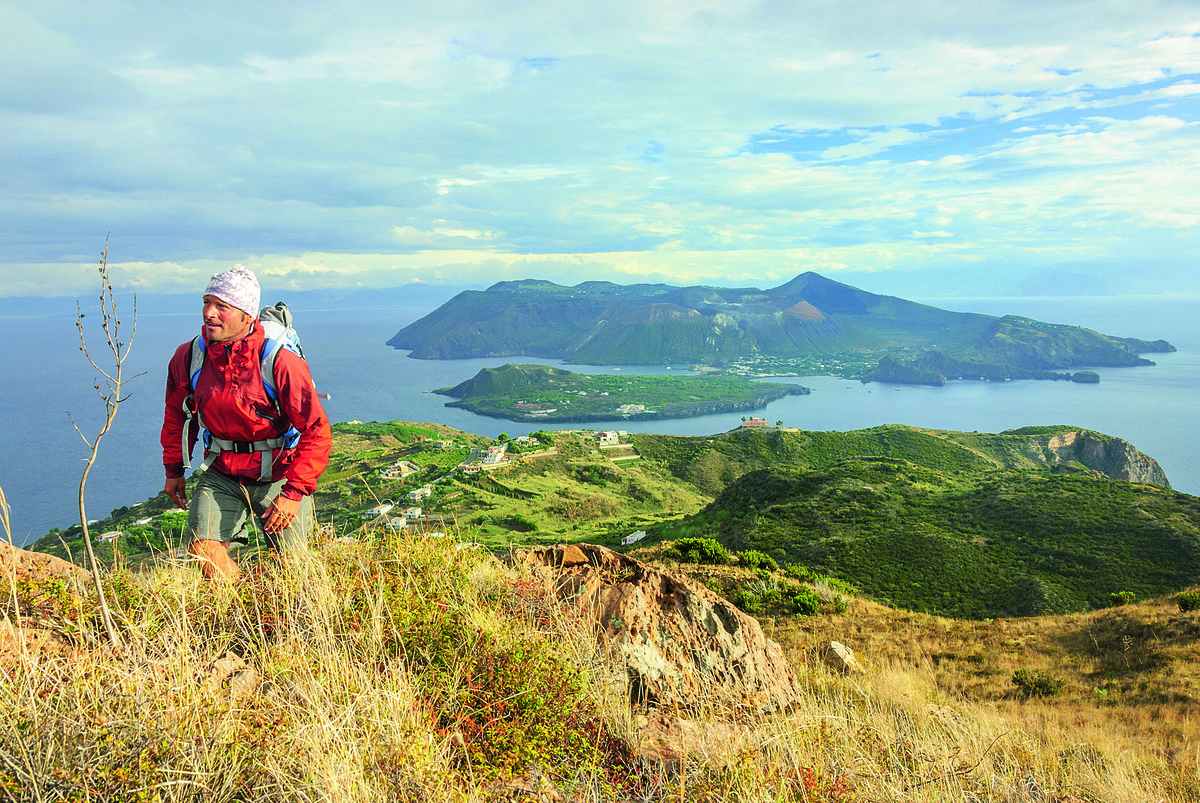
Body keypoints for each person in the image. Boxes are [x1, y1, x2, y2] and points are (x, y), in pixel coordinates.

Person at [160, 266, 331, 579]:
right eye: (206, 302)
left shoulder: (279, 362)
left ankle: (278, 606)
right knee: (203, 551)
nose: (209, 313)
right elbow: (178, 415)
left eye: (222, 306)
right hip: (222, 473)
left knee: (294, 568)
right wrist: (174, 470)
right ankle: (241, 603)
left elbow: (316, 430)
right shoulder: (189, 357)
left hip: (279, 473)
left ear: (247, 315)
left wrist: (293, 493)